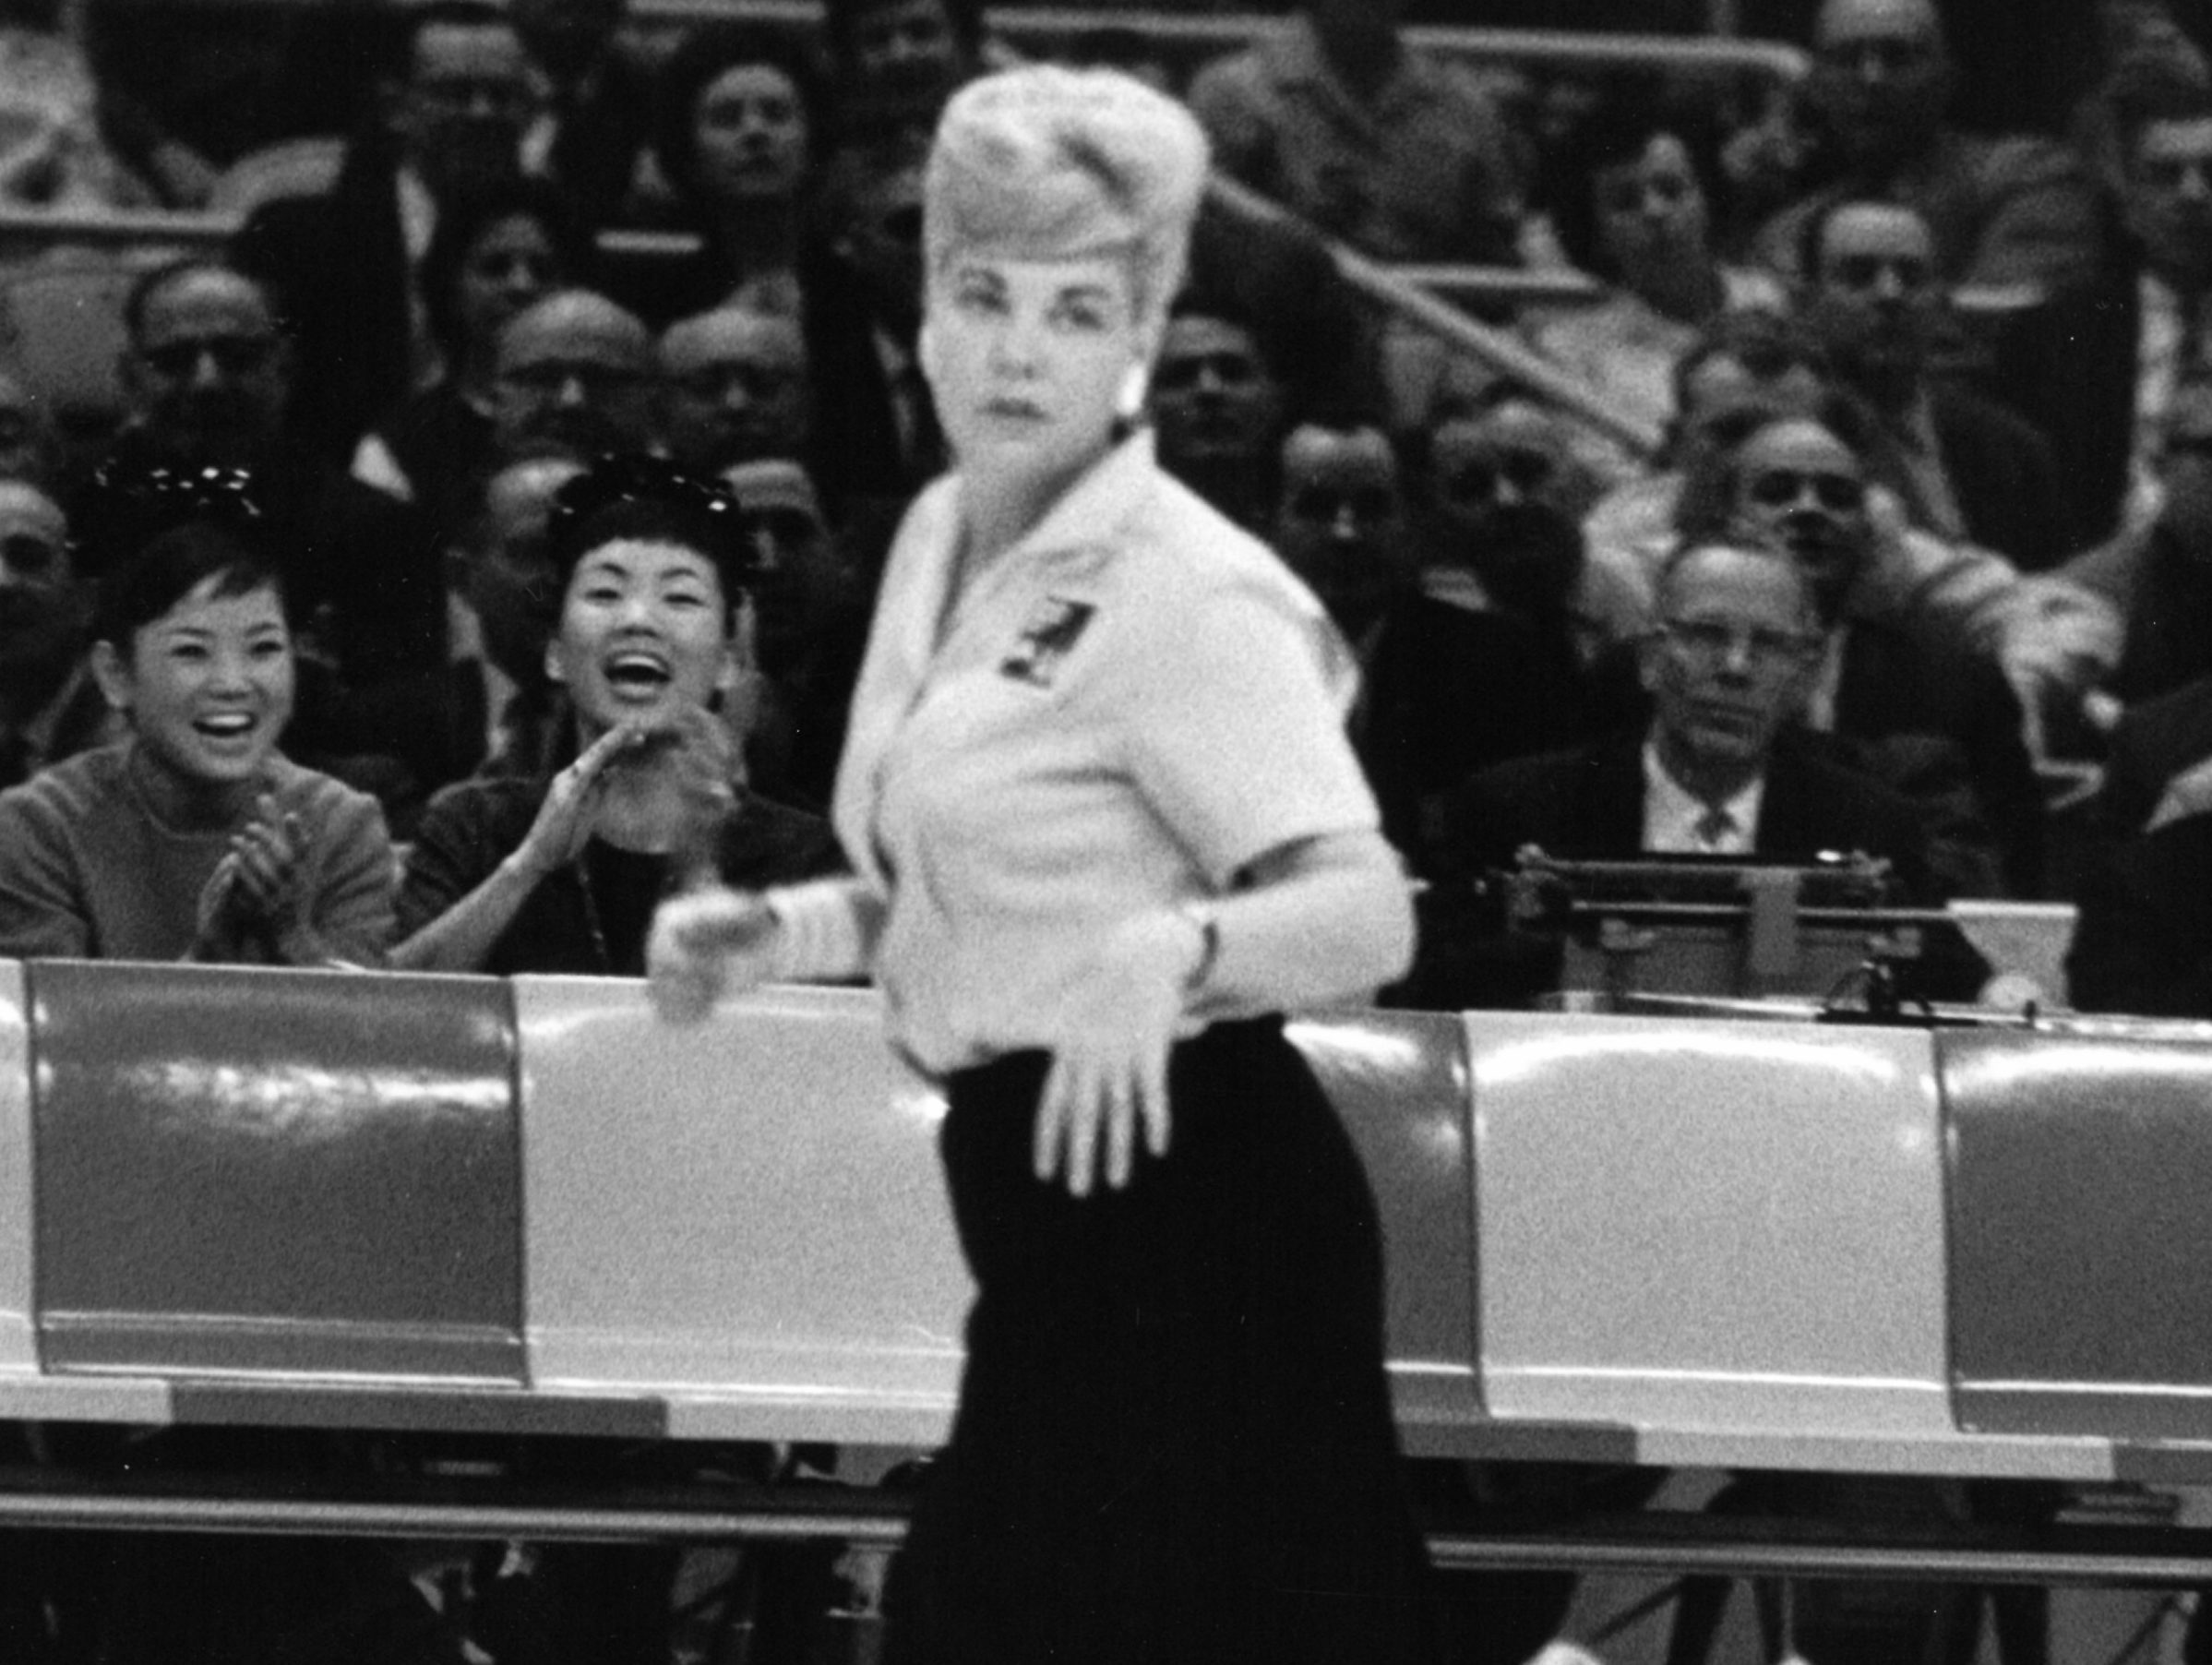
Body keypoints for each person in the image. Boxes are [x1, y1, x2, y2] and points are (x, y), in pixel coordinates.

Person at [648, 65, 1437, 1665]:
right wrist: (782, 929)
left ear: (1139, 338)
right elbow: (976, 887)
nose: (1017, 349)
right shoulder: (940, 536)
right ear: (924, 310)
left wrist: (1174, 953)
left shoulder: (1188, 591)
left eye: (1076, 311)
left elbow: (1367, 908)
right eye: (982, 294)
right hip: (1043, 1200)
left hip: (1199, 1200)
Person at [392, 452, 838, 976]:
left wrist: (699, 866)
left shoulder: (807, 856)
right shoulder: (471, 826)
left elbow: (806, 1043)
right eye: (605, 592)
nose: (637, 619)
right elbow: (395, 1009)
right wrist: (527, 865)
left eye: (680, 597)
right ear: (556, 652)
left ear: (727, 662)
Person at [0, 482, 393, 964]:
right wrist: (216, 945)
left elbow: (361, 1032)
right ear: (116, 675)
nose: (232, 683)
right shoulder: (36, 827)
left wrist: (287, 933)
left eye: (264, 649)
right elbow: (66, 1034)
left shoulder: (344, 826)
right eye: (192, 652)